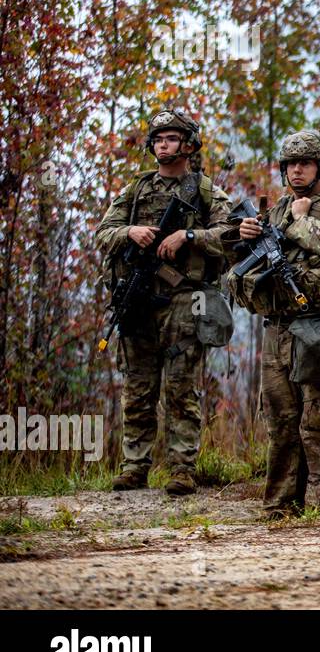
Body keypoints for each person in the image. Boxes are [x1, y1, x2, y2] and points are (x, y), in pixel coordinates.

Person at [94, 109, 234, 496]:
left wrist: (189, 237)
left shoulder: (204, 190)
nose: (163, 145)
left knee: (180, 389)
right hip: (139, 300)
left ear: (188, 144)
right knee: (137, 389)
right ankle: (134, 466)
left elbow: (231, 234)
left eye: (171, 138)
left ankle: (182, 470)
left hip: (184, 302)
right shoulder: (137, 190)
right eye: (157, 139)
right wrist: (130, 232)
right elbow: (103, 233)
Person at [227, 130, 320, 517]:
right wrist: (244, 235)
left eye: (305, 163)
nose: (296, 169)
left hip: (319, 329)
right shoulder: (273, 213)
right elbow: (238, 269)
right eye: (290, 164)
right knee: (280, 423)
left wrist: (302, 223)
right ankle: (280, 507)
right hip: (277, 330)